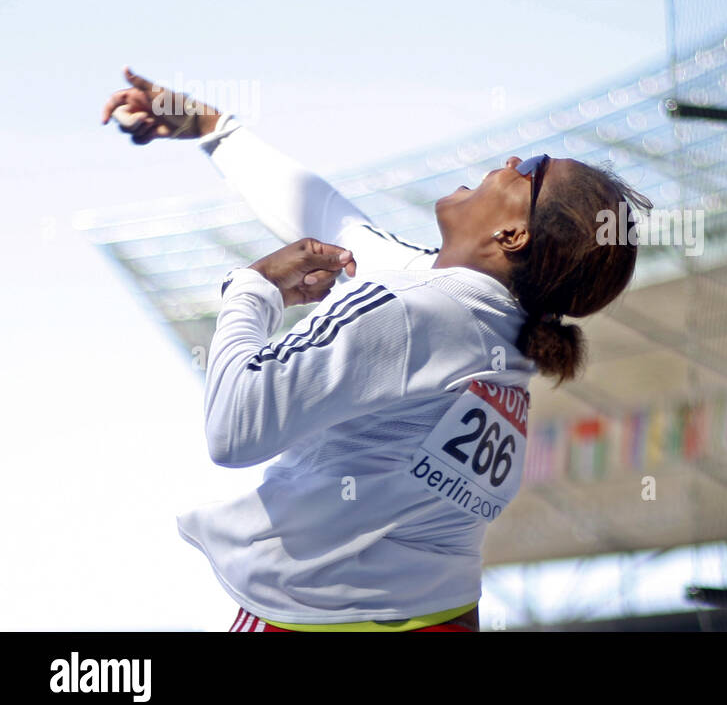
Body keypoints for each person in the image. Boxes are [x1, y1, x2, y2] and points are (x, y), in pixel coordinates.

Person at [101, 67, 651, 632]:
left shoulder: (408, 310)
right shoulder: (498, 328)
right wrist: (210, 126)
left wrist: (253, 287)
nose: (510, 162)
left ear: (513, 235)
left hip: (318, 619)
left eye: (530, 168)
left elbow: (235, 427)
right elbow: (332, 220)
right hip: (441, 614)